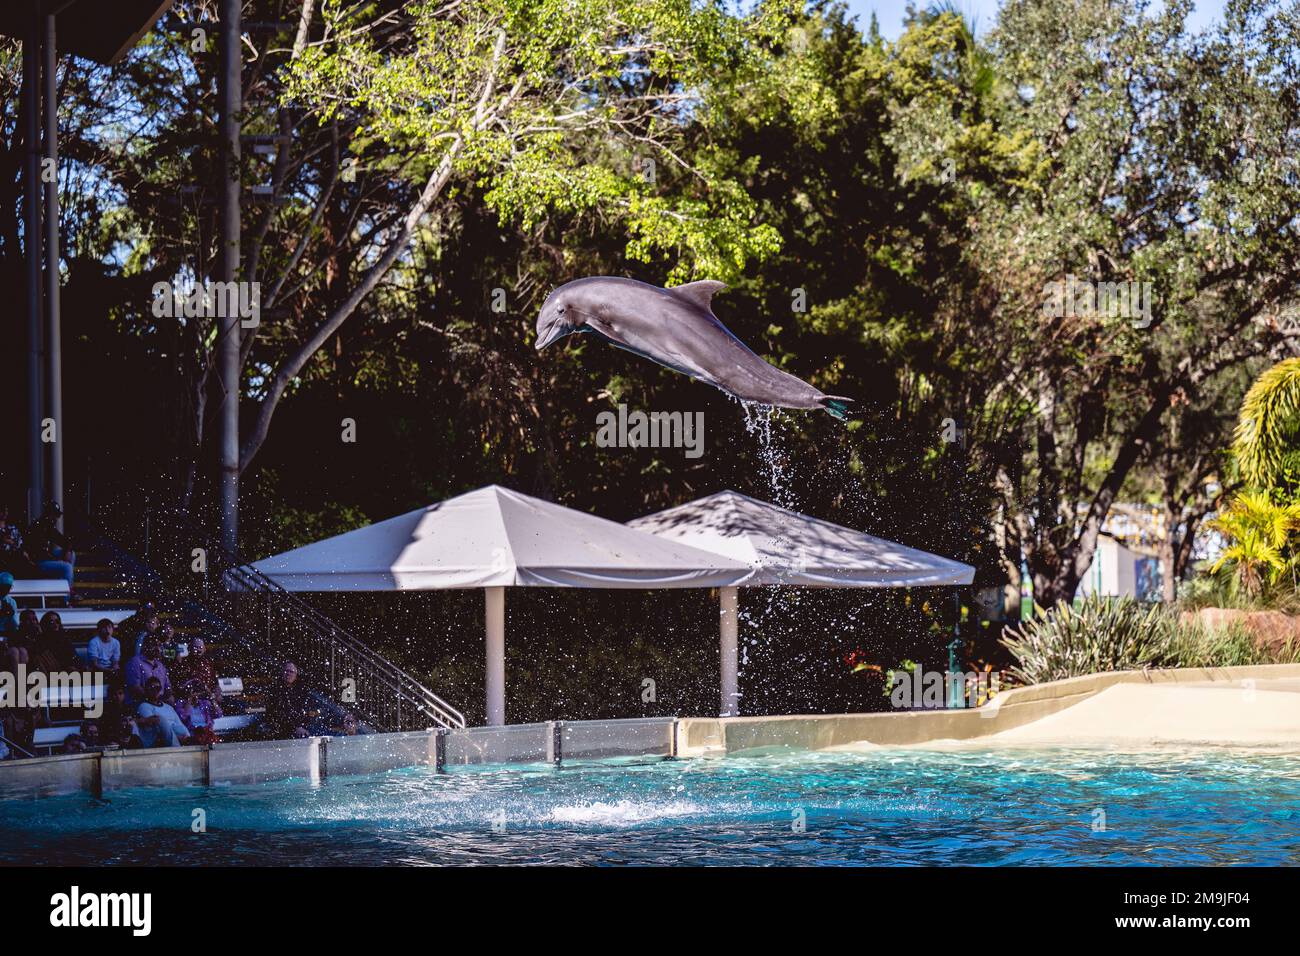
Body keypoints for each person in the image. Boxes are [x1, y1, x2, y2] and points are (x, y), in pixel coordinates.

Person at [25, 501, 75, 589]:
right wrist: (57, 560)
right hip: (38, 561)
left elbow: (64, 541)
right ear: (49, 514)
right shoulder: (38, 527)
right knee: (67, 567)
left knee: (72, 554)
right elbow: (39, 553)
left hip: (46, 557)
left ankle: (63, 586)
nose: (56, 518)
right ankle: (67, 597)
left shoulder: (48, 526)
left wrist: (68, 550)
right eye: (55, 515)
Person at [135, 677, 189, 748]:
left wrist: (186, 736)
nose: (155, 690)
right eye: (152, 687)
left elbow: (180, 725)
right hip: (159, 741)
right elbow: (155, 730)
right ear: (146, 689)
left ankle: (188, 740)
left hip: (175, 735)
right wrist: (177, 738)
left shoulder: (169, 707)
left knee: (182, 729)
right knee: (160, 719)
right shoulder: (144, 706)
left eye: (158, 688)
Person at [264, 660, 312, 739]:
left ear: (296, 675)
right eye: (286, 671)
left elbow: (303, 711)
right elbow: (278, 713)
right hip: (282, 728)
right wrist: (296, 727)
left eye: (291, 672)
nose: (288, 674)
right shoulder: (275, 690)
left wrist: (302, 726)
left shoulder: (300, 691)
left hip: (298, 727)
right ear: (282, 673)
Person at [124, 636, 171, 707]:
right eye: (154, 645)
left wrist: (169, 696)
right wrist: (153, 700)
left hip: (160, 704)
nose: (158, 649)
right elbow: (134, 687)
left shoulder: (160, 665)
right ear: (145, 646)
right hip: (142, 704)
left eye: (160, 645)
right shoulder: (135, 662)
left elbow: (168, 687)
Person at [173, 636, 220, 701]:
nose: (198, 650)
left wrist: (216, 694)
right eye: (195, 647)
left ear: (204, 649)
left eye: (200, 647)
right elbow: (182, 684)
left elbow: (215, 682)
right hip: (191, 698)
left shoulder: (208, 663)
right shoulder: (184, 663)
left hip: (208, 697)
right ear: (190, 648)